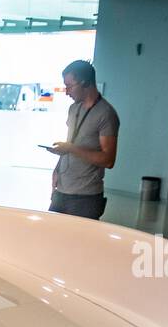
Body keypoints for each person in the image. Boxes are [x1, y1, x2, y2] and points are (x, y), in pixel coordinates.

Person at [46, 59, 119, 220]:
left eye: (70, 86)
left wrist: (71, 148)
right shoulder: (73, 109)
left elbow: (108, 160)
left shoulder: (106, 114)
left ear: (85, 83)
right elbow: (71, 141)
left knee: (78, 236)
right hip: (62, 190)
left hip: (85, 197)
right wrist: (57, 169)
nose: (67, 92)